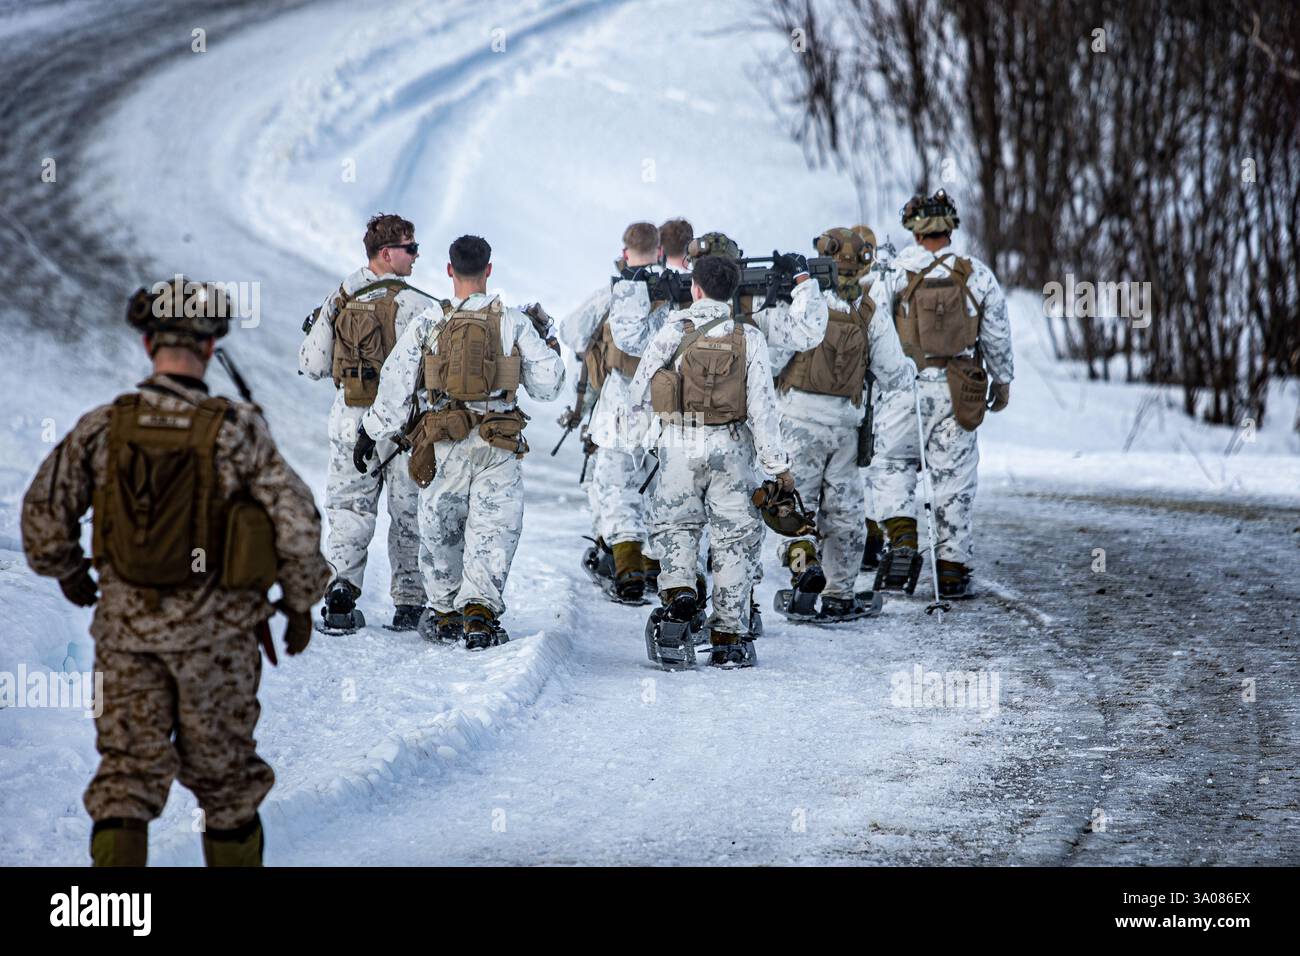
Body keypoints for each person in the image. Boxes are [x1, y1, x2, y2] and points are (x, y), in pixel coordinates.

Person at [21, 277, 330, 866]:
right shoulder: (237, 430)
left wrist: (69, 571)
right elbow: (298, 522)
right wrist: (298, 601)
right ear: (211, 348)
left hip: (125, 641)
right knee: (228, 787)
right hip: (217, 643)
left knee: (124, 783)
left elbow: (43, 510)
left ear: (147, 345)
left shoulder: (104, 426)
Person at [358, 235, 565, 647]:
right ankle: (480, 613)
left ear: (449, 271)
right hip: (497, 442)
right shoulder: (514, 321)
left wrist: (371, 431)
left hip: (443, 440)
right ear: (489, 270)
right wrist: (550, 345)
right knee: (493, 528)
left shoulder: (430, 321)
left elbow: (395, 386)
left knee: (440, 527)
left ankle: (445, 612)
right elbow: (549, 386)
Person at [628, 255, 793, 668]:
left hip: (680, 445)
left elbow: (639, 391)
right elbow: (763, 410)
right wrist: (777, 467)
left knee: (678, 527)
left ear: (695, 289)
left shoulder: (673, 330)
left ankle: (681, 592)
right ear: (731, 292)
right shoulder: (748, 337)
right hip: (731, 447)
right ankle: (728, 638)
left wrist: (644, 440)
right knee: (734, 540)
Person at [867, 190, 1014, 598]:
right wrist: (1001, 381)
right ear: (951, 228)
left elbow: (874, 330)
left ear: (913, 230)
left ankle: (901, 539)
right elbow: (997, 333)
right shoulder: (976, 274)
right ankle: (951, 568)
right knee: (954, 479)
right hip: (957, 390)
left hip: (904, 386)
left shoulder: (892, 275)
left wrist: (875, 381)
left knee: (893, 465)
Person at [299, 213, 437, 632]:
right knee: (408, 513)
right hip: (405, 430)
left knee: (348, 509)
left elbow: (312, 364)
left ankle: (340, 594)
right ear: (386, 253)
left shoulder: (338, 299)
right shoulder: (421, 305)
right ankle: (410, 604)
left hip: (349, 422)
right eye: (410, 248)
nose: (416, 256)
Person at [771, 226, 915, 619]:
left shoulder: (799, 303)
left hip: (797, 422)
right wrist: (911, 372)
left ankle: (803, 566)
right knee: (846, 514)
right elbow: (893, 374)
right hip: (845, 430)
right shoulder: (868, 309)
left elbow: (770, 360)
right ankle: (839, 594)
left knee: (795, 507)